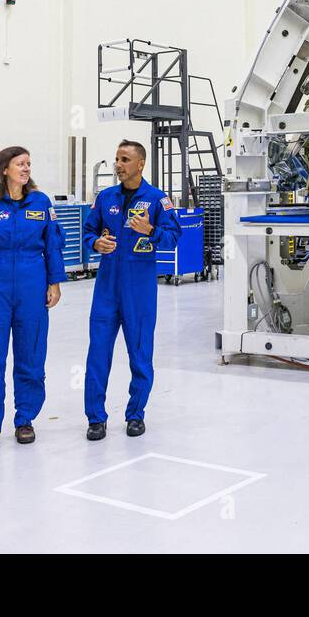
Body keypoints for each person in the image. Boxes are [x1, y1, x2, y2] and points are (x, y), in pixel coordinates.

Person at [0, 146, 66, 451]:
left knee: (31, 352)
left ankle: (25, 419)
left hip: (33, 280)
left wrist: (55, 282)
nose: (27, 168)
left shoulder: (41, 202)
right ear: (4, 169)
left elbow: (53, 244)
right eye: (21, 164)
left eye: (29, 163)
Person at [82, 140, 181, 440]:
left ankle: (135, 414)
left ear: (140, 164)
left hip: (139, 290)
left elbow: (173, 237)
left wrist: (149, 231)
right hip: (107, 288)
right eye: (116, 159)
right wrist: (95, 244)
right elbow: (89, 231)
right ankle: (96, 418)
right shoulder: (105, 197)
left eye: (125, 159)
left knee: (140, 354)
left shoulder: (157, 200)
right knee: (98, 353)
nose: (118, 165)